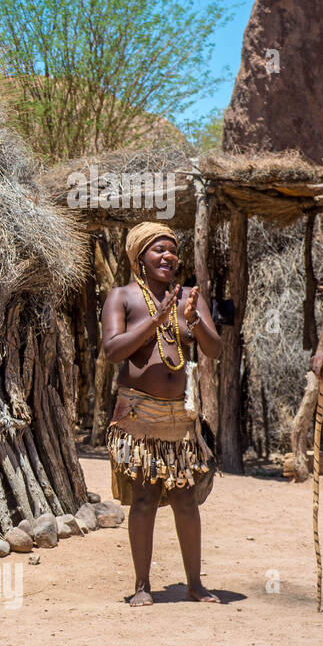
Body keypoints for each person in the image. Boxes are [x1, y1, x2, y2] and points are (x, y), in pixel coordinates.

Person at [101, 221, 221, 606]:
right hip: (139, 413)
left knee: (186, 500)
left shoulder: (190, 296)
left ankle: (195, 584)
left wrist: (195, 320)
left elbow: (215, 350)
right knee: (145, 498)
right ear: (139, 258)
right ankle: (141, 585)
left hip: (180, 416)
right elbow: (113, 350)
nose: (167, 256)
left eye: (172, 250)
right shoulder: (122, 297)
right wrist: (156, 320)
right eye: (158, 250)